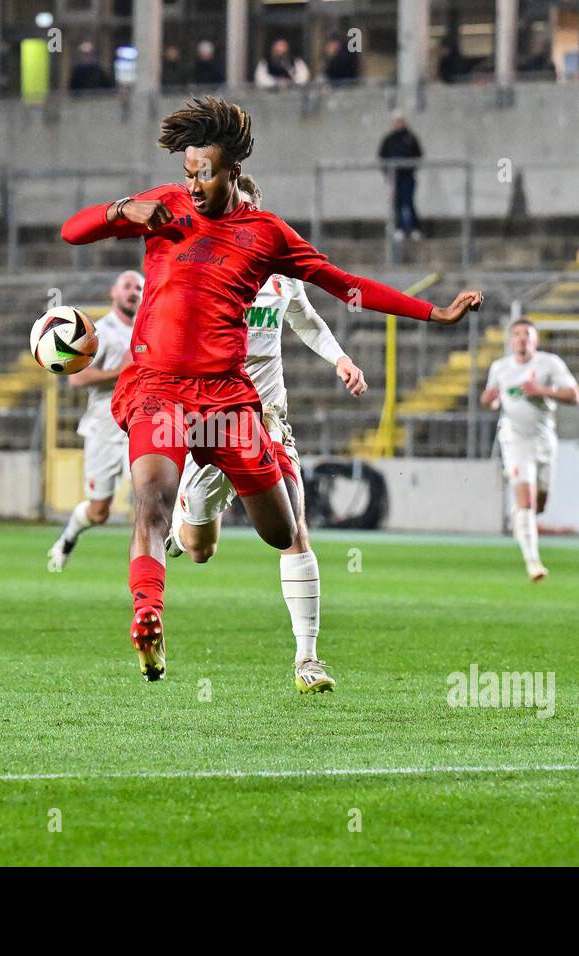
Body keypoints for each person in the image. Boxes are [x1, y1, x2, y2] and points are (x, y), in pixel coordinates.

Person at [60, 96, 482, 681]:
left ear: (234, 171)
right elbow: (71, 231)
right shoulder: (163, 208)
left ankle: (204, 518)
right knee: (149, 504)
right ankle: (149, 616)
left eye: (206, 172)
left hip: (230, 400)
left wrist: (432, 313)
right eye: (189, 173)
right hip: (158, 389)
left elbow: (346, 284)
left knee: (281, 531)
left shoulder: (266, 235)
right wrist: (119, 211)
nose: (195, 184)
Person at [163, 174, 368, 693]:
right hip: (213, 420)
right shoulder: (200, 269)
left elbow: (308, 320)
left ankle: (308, 659)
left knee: (295, 527)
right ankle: (184, 518)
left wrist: (341, 359)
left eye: (248, 211)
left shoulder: (280, 274)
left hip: (267, 421)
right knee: (200, 548)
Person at [47, 270, 142, 571]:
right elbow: (77, 378)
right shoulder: (97, 332)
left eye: (139, 287)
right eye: (127, 286)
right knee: (99, 511)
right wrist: (123, 371)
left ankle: (148, 563)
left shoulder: (148, 330)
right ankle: (68, 536)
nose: (133, 292)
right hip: (103, 428)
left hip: (137, 425)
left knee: (148, 491)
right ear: (114, 293)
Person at [480, 319, 579, 582]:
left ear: (535, 341)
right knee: (527, 500)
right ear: (511, 340)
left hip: (544, 439)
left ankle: (521, 518)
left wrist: (542, 391)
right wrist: (491, 401)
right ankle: (533, 563)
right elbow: (489, 397)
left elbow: (575, 396)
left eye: (527, 334)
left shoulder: (550, 364)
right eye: (517, 334)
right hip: (514, 439)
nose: (522, 339)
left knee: (540, 503)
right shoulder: (500, 368)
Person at [378, 113, 424, 241]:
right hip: (394, 177)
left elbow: (418, 155)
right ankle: (399, 228)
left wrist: (413, 170)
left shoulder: (410, 138)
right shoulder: (389, 139)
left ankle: (415, 228)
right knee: (397, 203)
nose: (399, 124)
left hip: (408, 176)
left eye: (400, 121)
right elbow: (382, 157)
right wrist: (387, 175)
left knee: (409, 201)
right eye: (396, 122)